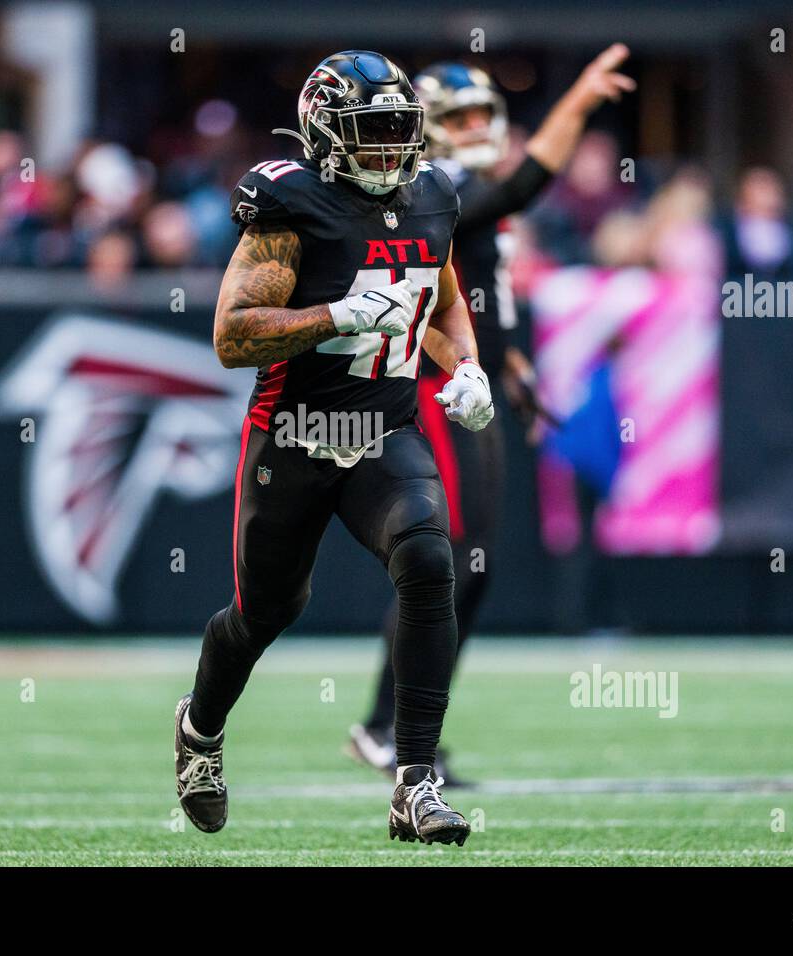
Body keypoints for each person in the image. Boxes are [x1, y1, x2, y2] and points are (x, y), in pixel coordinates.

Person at [173, 50, 494, 846]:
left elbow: (445, 301)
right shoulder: (290, 203)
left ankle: (414, 781)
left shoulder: (432, 195)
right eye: (370, 133)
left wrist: (469, 368)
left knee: (429, 560)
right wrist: (338, 314)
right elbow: (233, 336)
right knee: (264, 613)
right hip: (294, 437)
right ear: (324, 133)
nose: (388, 151)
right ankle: (200, 729)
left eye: (397, 132)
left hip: (386, 433)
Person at [346, 46, 636, 783]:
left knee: (471, 568)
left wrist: (507, 360)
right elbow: (527, 182)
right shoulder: (432, 188)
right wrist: (576, 102)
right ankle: (387, 726)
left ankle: (400, 727)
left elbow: (475, 287)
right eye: (460, 115)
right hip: (437, 389)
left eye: (483, 113)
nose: (476, 125)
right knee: (446, 563)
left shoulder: (460, 190)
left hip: (471, 382)